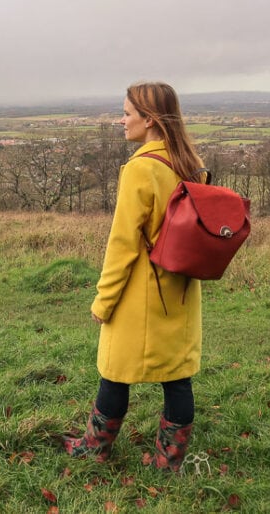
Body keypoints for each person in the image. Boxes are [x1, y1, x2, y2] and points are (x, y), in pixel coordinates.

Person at [63, 82, 205, 470]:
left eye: (127, 113)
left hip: (140, 292)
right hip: (181, 290)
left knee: (114, 372)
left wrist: (103, 301)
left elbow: (122, 244)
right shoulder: (190, 162)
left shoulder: (141, 169)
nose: (121, 120)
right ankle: (169, 461)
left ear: (150, 120)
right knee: (177, 377)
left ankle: (94, 448)